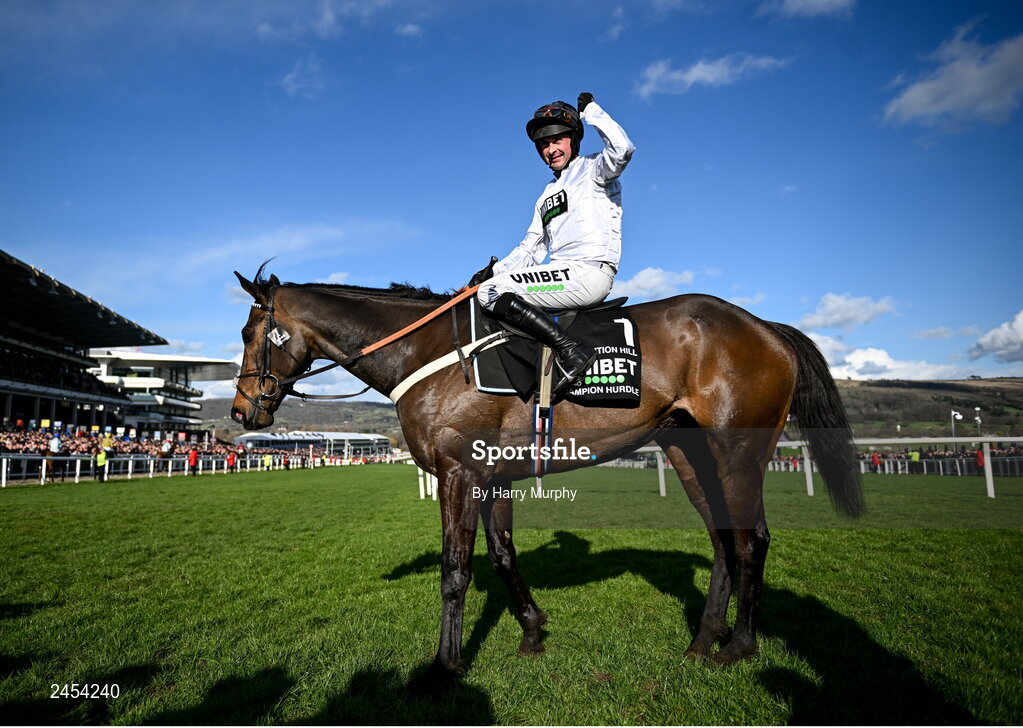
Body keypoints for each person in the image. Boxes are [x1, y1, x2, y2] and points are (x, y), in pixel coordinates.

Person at [470, 92, 635, 394]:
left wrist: (592, 113)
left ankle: (571, 351)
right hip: (561, 273)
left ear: (574, 140)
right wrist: (491, 272)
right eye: (544, 144)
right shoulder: (546, 195)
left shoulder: (595, 169)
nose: (551, 149)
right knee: (490, 288)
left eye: (558, 140)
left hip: (589, 273)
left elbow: (623, 148)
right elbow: (530, 248)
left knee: (492, 293)